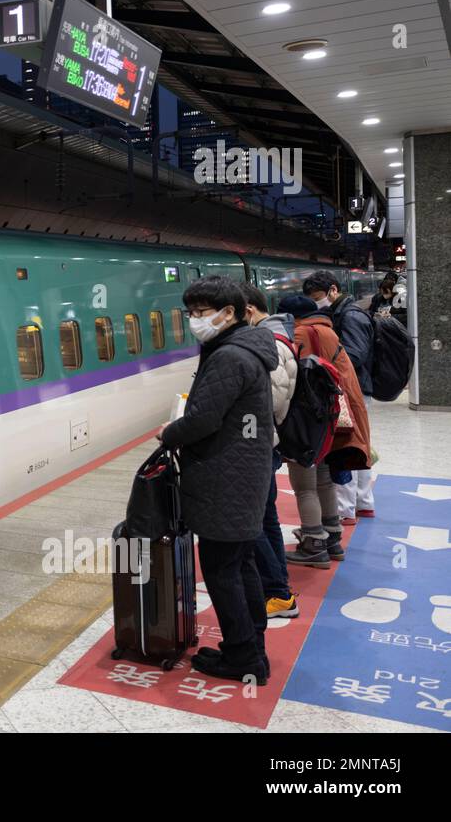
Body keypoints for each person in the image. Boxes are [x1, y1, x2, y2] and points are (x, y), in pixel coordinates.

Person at [158, 276, 276, 683]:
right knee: (241, 565)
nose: (194, 320)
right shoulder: (247, 347)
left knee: (223, 571)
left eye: (201, 313)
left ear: (230, 313)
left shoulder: (229, 357)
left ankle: (243, 658)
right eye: (190, 313)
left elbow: (204, 420)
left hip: (226, 478)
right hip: (243, 473)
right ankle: (251, 648)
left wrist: (169, 433)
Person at [277, 294, 372, 568]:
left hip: (307, 422)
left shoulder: (299, 335)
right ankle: (332, 538)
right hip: (329, 420)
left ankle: (313, 544)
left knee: (304, 487)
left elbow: (290, 379)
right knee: (324, 480)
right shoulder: (328, 332)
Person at [241, 283, 299, 619]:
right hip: (267, 443)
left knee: (256, 521)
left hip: (260, 446)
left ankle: (278, 592)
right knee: (266, 518)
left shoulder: (270, 343)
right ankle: (278, 588)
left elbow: (270, 404)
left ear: (247, 310)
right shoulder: (275, 335)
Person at [303, 270, 376, 519]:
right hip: (353, 387)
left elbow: (355, 355)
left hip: (352, 389)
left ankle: (346, 509)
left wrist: (326, 364)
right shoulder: (341, 312)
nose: (316, 302)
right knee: (360, 445)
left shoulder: (351, 316)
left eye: (318, 296)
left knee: (348, 445)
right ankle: (363, 502)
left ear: (334, 290)